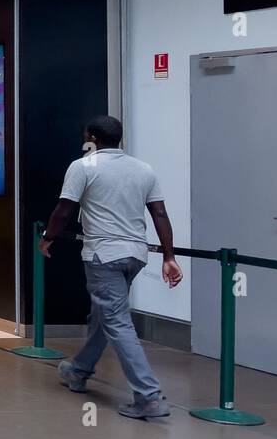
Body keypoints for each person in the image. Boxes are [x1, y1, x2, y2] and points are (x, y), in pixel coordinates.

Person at [41, 115, 184, 420]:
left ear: (90, 137)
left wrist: (48, 237)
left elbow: (65, 208)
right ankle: (77, 371)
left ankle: (147, 396)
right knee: (102, 315)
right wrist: (169, 257)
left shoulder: (83, 166)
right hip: (135, 255)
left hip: (103, 255)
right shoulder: (143, 169)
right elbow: (159, 213)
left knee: (116, 320)